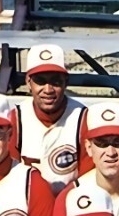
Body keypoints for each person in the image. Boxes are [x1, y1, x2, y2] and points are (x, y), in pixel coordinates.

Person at [14, 42, 87, 194]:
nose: (48, 90)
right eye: (40, 81)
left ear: (66, 82)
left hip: (71, 205)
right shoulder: (16, 118)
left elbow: (89, 179)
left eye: (55, 81)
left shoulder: (83, 118)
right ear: (28, 82)